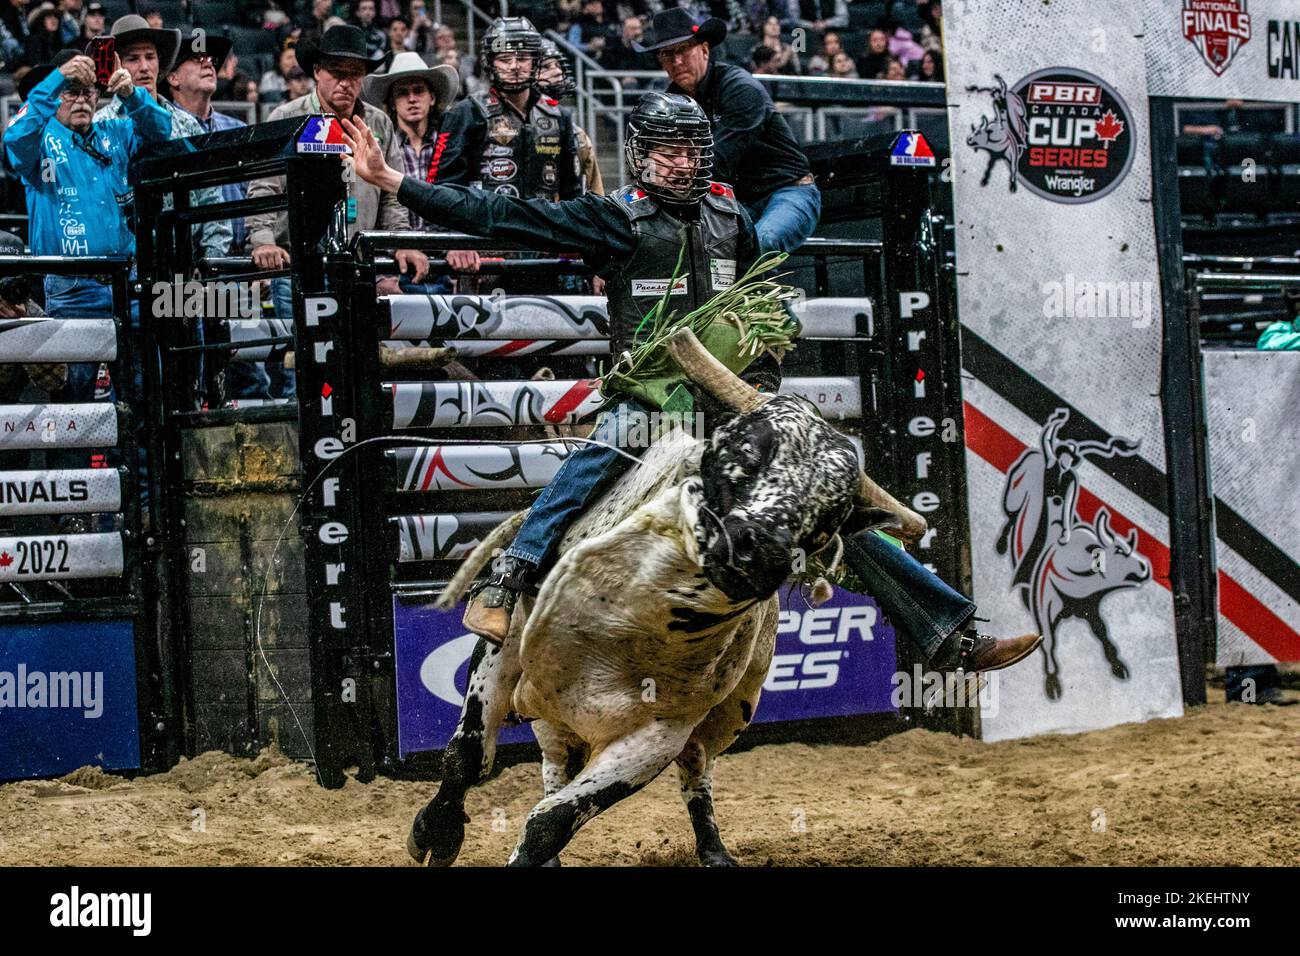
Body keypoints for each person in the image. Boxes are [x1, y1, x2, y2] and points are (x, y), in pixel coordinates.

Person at [340, 96, 1041, 674]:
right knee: (598, 459)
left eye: (691, 149)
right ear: (643, 155)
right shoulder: (616, 219)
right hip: (650, 404)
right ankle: (511, 574)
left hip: (732, 410)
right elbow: (504, 215)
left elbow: (754, 321)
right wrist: (398, 184)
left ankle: (948, 632)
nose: (682, 162)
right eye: (668, 150)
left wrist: (763, 386)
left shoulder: (731, 220)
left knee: (830, 503)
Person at [5, 49, 169, 510]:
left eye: (88, 90)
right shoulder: (39, 138)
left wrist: (130, 93)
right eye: (71, 92)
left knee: (142, 401)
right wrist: (56, 76)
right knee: (73, 410)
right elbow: (14, 136)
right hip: (71, 287)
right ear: (55, 95)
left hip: (125, 285)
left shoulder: (114, 130)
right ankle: (71, 510)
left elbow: (162, 131)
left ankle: (143, 512)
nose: (81, 99)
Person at [245, 23, 427, 398]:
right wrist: (263, 240)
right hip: (297, 263)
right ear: (316, 72)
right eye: (336, 73)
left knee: (362, 366)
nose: (345, 83)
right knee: (301, 368)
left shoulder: (377, 123)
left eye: (354, 74)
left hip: (359, 265)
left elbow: (391, 192)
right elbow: (263, 187)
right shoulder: (286, 118)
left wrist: (399, 244)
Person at [638, 8, 819, 256]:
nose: (676, 61)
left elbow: (719, 161)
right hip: (734, 202)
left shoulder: (739, 88)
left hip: (786, 191)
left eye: (683, 50)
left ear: (704, 50)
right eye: (667, 53)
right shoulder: (671, 103)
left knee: (759, 243)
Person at [432, 17, 582, 290]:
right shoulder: (466, 112)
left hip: (545, 256)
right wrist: (451, 242)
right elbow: (442, 187)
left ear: (535, 60)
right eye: (505, 58)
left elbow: (573, 194)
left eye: (523, 57)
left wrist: (589, 252)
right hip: (483, 254)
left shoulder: (559, 116)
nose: (514, 66)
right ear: (491, 62)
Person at [94, 15, 232, 265]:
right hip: (120, 264)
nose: (144, 67)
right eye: (133, 59)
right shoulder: (100, 125)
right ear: (115, 65)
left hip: (183, 261)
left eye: (150, 57)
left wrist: (213, 263)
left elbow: (211, 198)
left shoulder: (187, 124)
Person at [363, 50, 460, 292]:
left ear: (432, 98)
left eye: (419, 91)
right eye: (403, 93)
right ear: (393, 105)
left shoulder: (450, 145)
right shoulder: (380, 148)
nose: (412, 99)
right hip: (396, 265)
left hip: (446, 264)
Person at [538, 37, 603, 196]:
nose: (558, 71)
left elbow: (595, 193)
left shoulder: (578, 136)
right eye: (546, 67)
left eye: (558, 65)